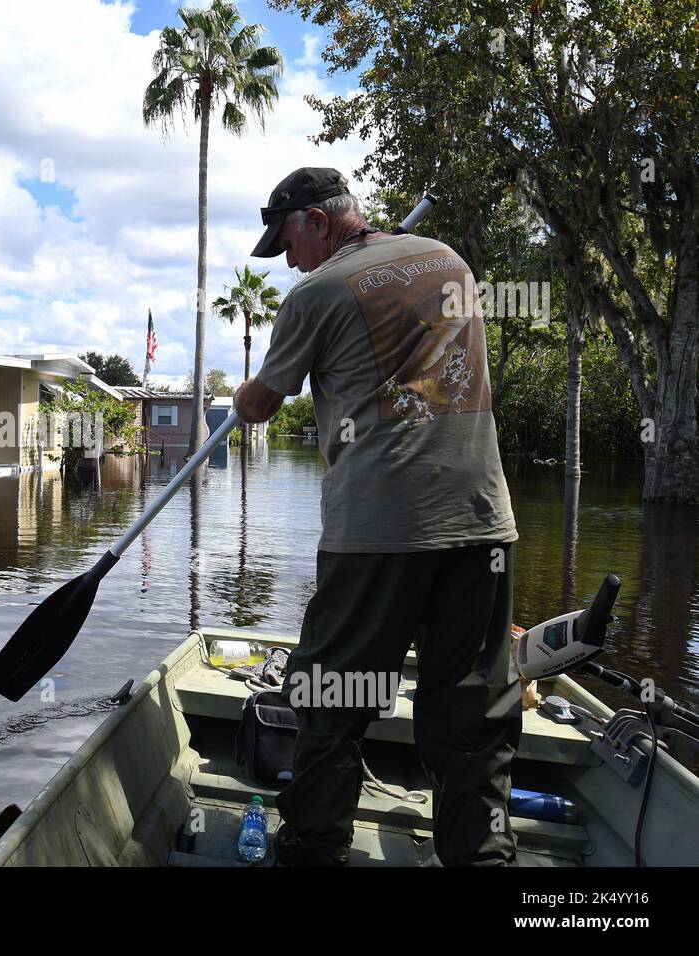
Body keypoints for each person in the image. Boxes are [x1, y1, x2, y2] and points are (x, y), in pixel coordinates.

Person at [233, 167, 521, 867]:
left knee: (331, 694)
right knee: (470, 707)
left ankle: (313, 846)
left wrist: (242, 399)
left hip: (379, 529)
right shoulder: (449, 261)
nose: (289, 259)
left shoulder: (316, 293)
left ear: (317, 224)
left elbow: (266, 401)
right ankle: (480, 856)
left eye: (288, 242)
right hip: (482, 520)